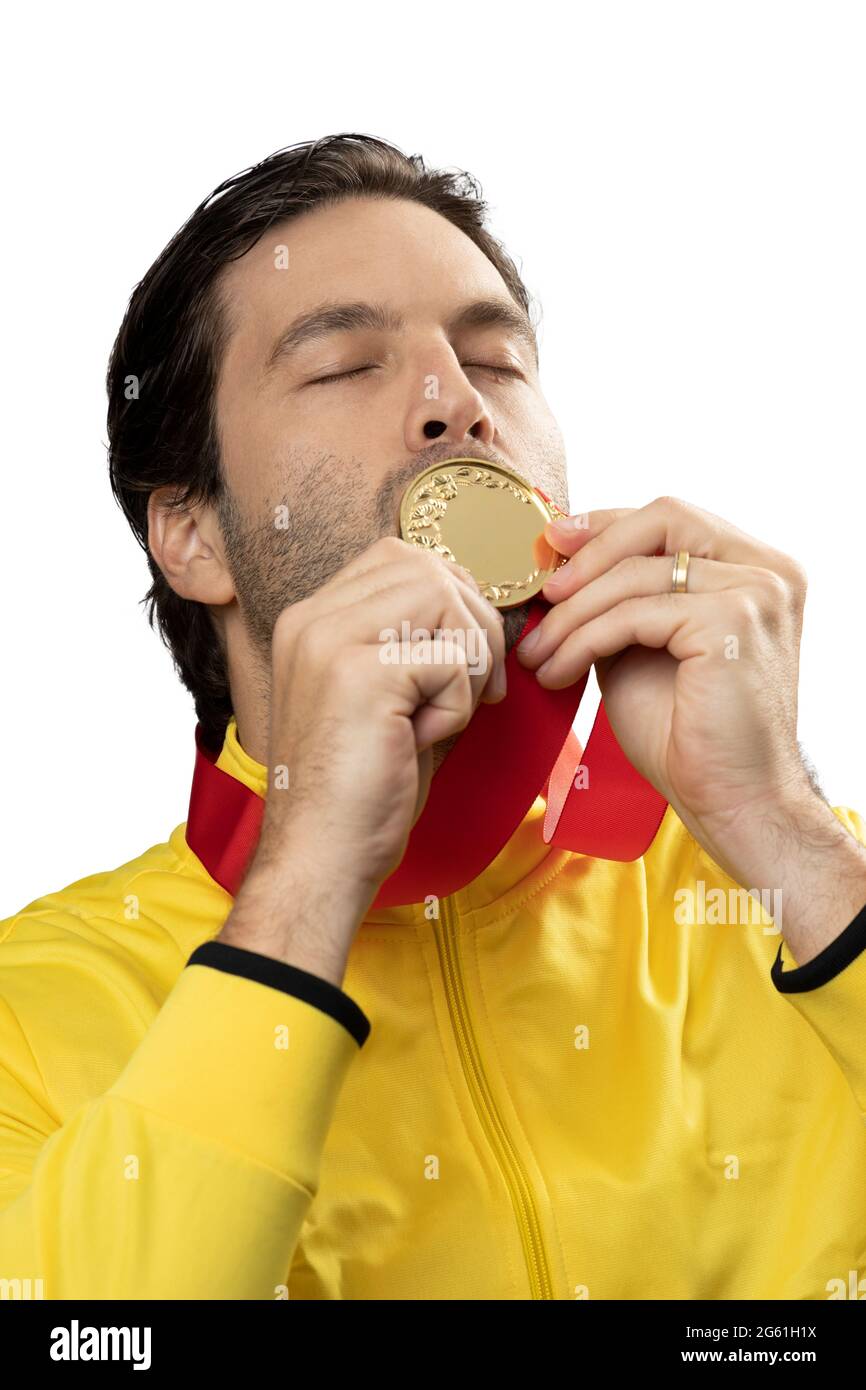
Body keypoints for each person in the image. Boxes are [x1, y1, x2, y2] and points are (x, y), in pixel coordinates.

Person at [1, 133, 864, 1302]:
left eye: (496, 360)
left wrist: (779, 829)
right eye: (347, 365)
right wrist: (309, 873)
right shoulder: (30, 1007)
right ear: (192, 532)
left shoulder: (802, 899)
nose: (455, 403)